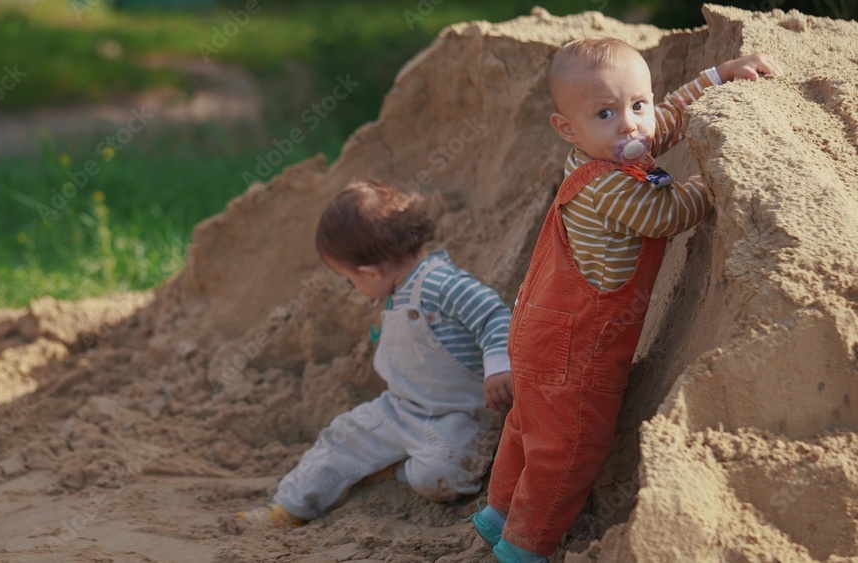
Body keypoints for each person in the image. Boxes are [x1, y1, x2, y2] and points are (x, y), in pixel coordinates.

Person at [471, 38, 784, 562]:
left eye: (636, 104)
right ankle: (524, 546)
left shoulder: (603, 150)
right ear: (566, 128)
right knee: (567, 448)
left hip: (540, 330)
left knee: (528, 424)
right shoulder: (609, 187)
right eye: (605, 113)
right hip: (575, 349)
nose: (630, 125)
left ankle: (497, 514)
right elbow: (666, 214)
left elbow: (663, 121)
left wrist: (718, 76)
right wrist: (710, 184)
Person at [236, 179, 514, 527]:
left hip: (457, 417)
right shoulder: (396, 287)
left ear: (371, 271)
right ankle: (290, 505)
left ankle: (395, 469)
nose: (356, 288)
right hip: (401, 407)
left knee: (441, 475)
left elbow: (493, 314)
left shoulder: (441, 283)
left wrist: (498, 364)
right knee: (341, 437)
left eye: (351, 279)